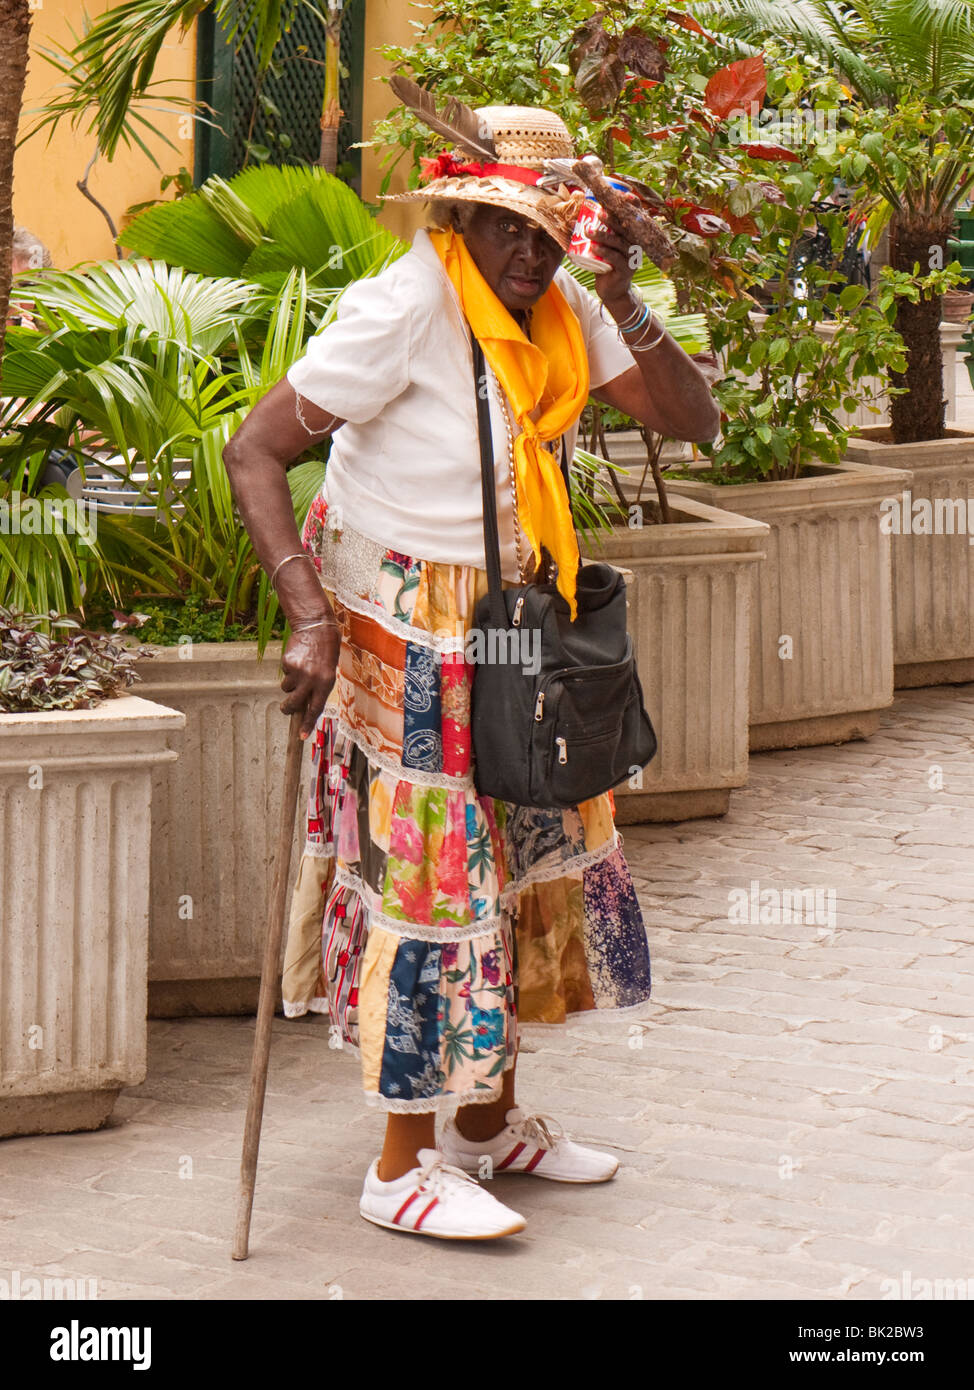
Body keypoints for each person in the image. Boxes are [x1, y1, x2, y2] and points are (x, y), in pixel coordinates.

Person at [222, 103, 719, 1242]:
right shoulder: (403, 306)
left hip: (514, 621)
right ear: (456, 215)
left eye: (548, 232)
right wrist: (305, 616)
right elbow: (256, 452)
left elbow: (694, 420)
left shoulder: (562, 304)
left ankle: (485, 1129)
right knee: (434, 885)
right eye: (506, 228)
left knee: (520, 861)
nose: (528, 254)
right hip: (404, 625)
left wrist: (626, 289)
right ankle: (398, 1165)